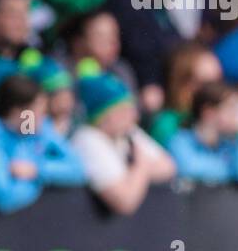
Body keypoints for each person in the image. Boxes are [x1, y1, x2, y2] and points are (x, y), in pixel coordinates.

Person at [69, 62, 176, 215]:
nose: (134, 116)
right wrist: (140, 166)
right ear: (104, 116)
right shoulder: (87, 139)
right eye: (124, 110)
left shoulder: (128, 133)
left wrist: (133, 174)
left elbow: (168, 167)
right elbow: (125, 201)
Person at [0, 72, 84, 213]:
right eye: (37, 111)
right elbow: (4, 198)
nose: (43, 116)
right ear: (17, 112)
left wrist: (37, 170)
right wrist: (40, 181)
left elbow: (79, 169)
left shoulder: (37, 128)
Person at [167, 80, 238, 185]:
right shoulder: (180, 141)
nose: (237, 115)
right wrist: (232, 171)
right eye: (231, 108)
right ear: (208, 112)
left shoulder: (231, 145)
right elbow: (188, 169)